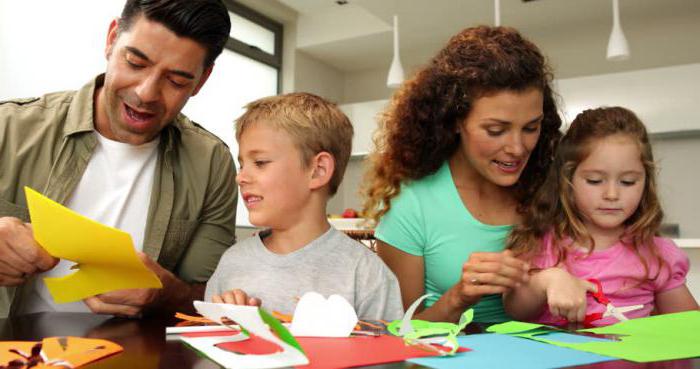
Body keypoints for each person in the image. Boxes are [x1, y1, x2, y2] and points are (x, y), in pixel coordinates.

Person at [0, 0, 237, 318]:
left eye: (176, 81)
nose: (146, 93)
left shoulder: (211, 164)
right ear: (112, 39)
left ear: (202, 80)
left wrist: (162, 293)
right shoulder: (9, 127)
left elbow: (211, 300)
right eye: (136, 63)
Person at [362, 26, 563, 323]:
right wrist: (459, 297)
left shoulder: (551, 187)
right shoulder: (411, 203)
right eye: (496, 130)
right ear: (454, 121)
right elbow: (401, 333)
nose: (518, 148)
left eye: (531, 128)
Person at [205, 93, 404, 321]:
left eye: (260, 163)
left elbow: (388, 354)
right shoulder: (232, 263)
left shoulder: (367, 274)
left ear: (318, 170)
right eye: (241, 165)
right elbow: (208, 348)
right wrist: (225, 325)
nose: (240, 177)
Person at [504, 107, 698, 326]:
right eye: (595, 181)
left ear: (646, 183)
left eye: (628, 182)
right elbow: (515, 310)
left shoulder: (658, 254)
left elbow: (690, 329)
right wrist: (545, 281)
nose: (612, 195)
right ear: (567, 181)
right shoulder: (542, 243)